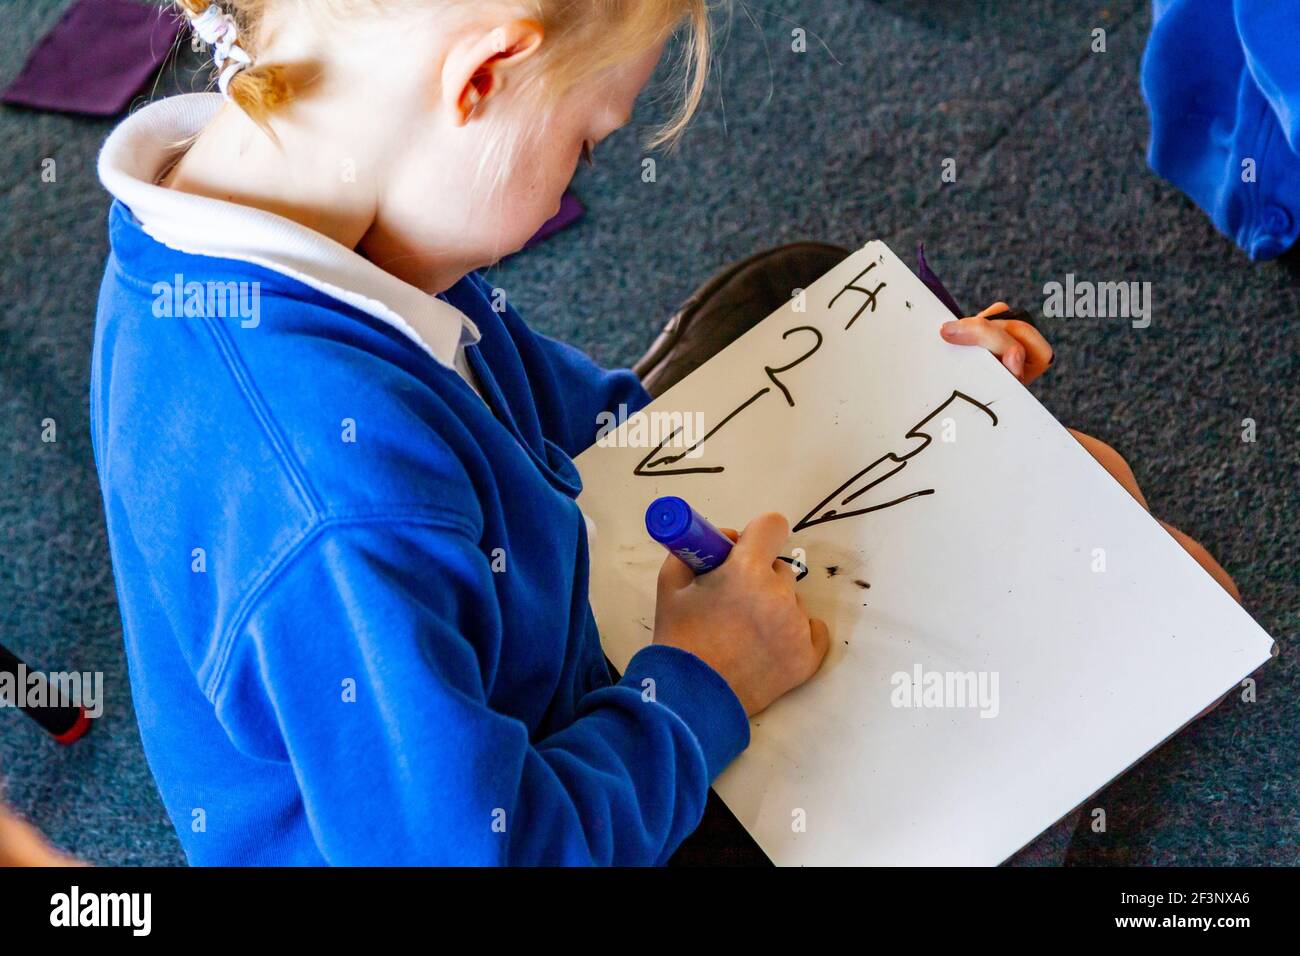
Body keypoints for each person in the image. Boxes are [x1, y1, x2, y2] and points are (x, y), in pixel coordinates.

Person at [91, 0, 1238, 864]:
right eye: (588, 141)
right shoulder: (339, 510)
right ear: (484, 74)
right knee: (1094, 580)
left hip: (529, 652)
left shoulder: (259, 216)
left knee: (810, 290)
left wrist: (911, 394)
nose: (573, 191)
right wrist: (700, 683)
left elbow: (509, 391)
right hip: (520, 811)